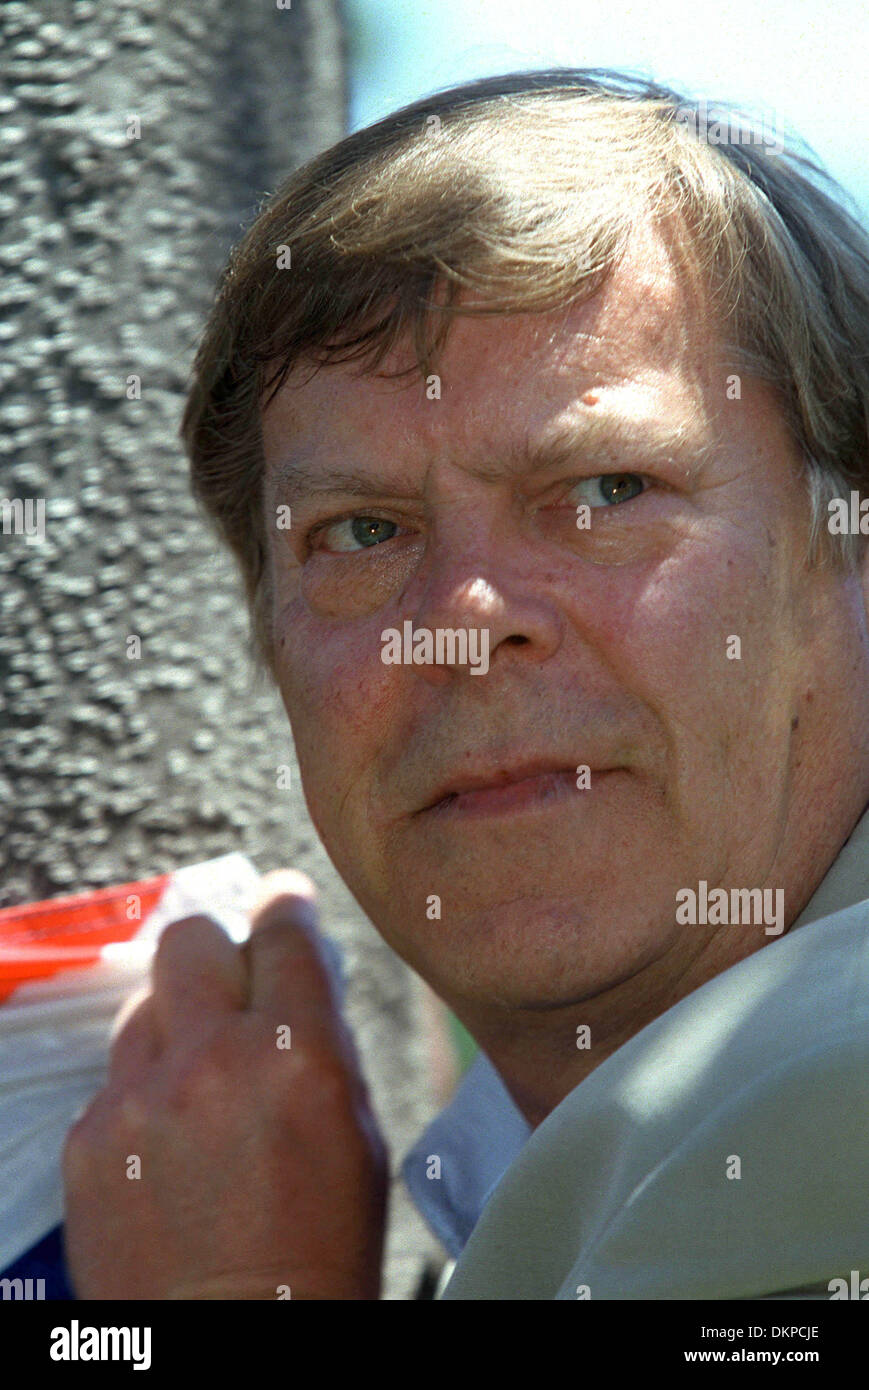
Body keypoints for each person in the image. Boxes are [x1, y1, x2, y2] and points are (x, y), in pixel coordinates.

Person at [62, 69, 869, 1300]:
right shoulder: (570, 1179)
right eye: (360, 533)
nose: (461, 622)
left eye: (605, 492)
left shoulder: (819, 1098)